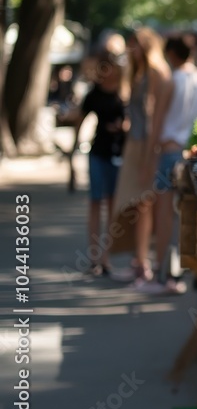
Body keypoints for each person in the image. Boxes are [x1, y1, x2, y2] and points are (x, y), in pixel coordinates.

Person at [139, 34, 197, 293]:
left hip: (169, 153)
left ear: (172, 54)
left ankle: (163, 275)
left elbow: (157, 121)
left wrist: (149, 157)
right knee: (190, 217)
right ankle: (186, 273)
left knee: (164, 215)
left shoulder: (172, 80)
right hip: (192, 155)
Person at [111, 27, 173, 283]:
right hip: (135, 143)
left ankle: (145, 264)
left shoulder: (156, 72)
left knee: (143, 204)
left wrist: (149, 158)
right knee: (136, 204)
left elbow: (154, 119)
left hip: (145, 145)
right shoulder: (141, 72)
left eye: (135, 45)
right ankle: (139, 260)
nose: (131, 50)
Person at [73, 50, 126, 276]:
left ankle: (107, 257)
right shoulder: (94, 94)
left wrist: (125, 127)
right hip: (98, 152)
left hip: (120, 154)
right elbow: (79, 119)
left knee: (113, 206)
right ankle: (94, 257)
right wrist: (72, 154)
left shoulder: (125, 91)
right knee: (95, 203)